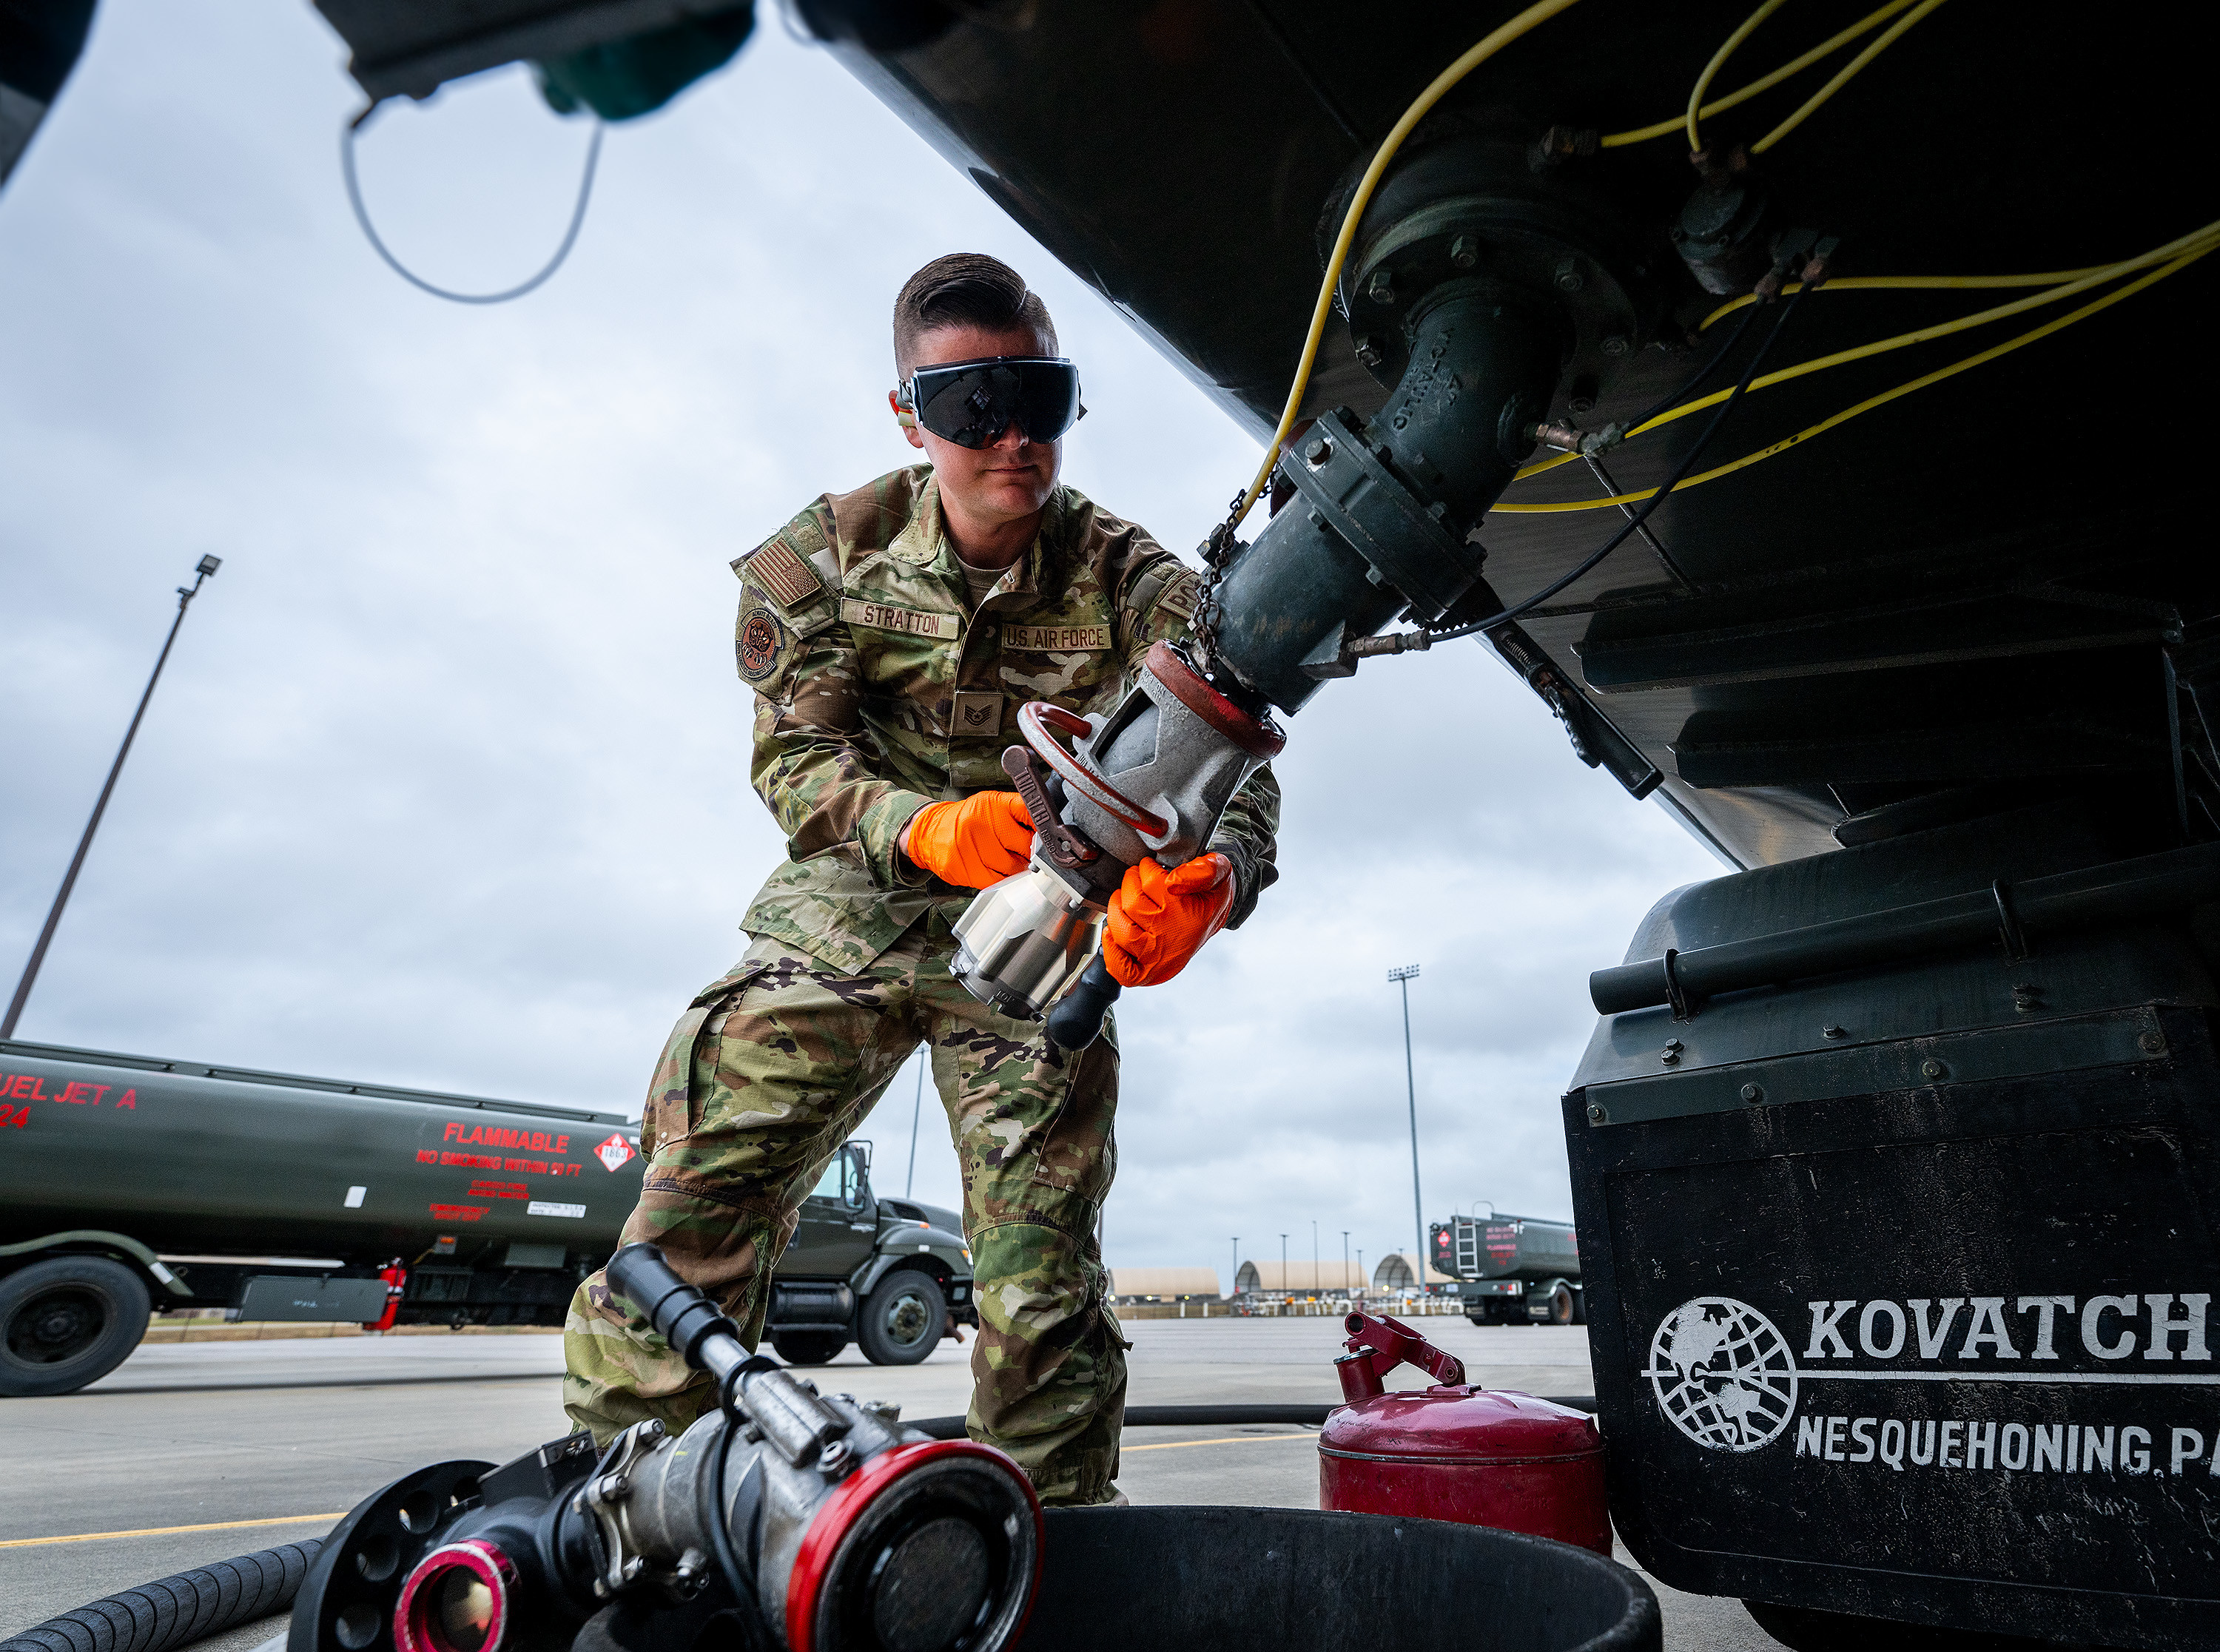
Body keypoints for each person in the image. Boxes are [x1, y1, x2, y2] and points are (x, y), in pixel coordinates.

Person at [562, 253, 1279, 1507]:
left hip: (1041, 931)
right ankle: (629, 1518)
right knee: (692, 1208)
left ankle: (1044, 1556)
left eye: (1040, 400)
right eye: (969, 408)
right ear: (910, 418)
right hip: (853, 903)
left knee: (1038, 1275)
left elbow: (1231, 738)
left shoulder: (1131, 578)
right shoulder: (818, 563)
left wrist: (1217, 873)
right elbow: (800, 762)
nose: (1013, 440)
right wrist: (927, 826)